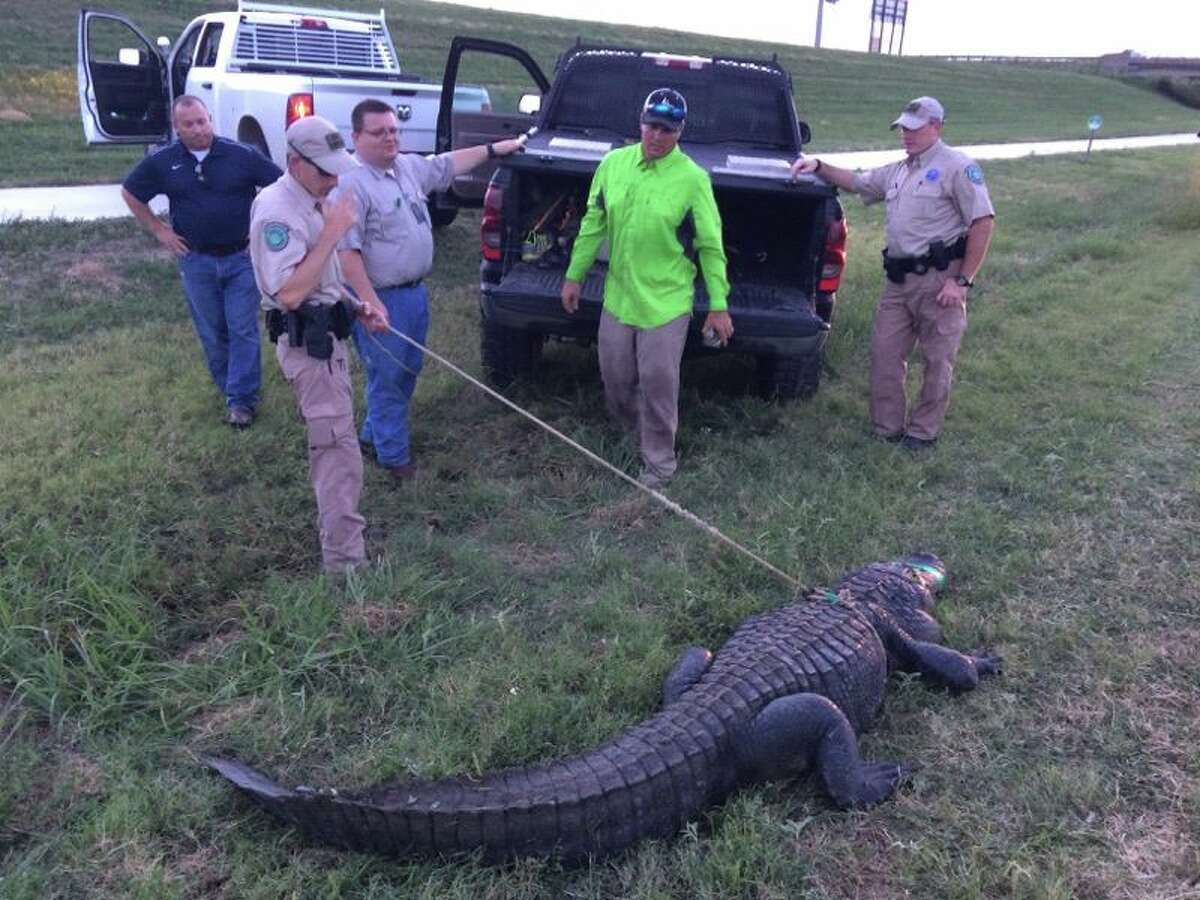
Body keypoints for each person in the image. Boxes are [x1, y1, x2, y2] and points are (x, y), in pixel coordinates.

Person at [334, 98, 527, 480]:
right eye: (378, 132)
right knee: (388, 376)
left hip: (414, 294)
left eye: (393, 130)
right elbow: (347, 255)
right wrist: (371, 305)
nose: (389, 138)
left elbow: (447, 164)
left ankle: (373, 435)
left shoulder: (405, 167)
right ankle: (394, 459)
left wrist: (494, 150)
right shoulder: (350, 185)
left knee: (405, 370)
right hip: (381, 297)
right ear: (356, 136)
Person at [791, 96, 995, 451]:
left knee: (937, 359)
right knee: (885, 354)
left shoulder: (957, 167)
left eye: (914, 128)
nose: (906, 134)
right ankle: (886, 429)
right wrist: (819, 164)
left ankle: (922, 432)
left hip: (939, 280)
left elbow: (982, 221)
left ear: (937, 127)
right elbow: (858, 182)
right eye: (903, 128)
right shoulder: (900, 170)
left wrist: (962, 281)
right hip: (898, 282)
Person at [561, 88, 733, 489]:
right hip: (619, 296)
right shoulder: (612, 165)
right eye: (652, 126)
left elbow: (710, 245)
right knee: (615, 377)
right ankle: (631, 435)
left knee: (658, 380)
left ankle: (658, 464)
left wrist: (719, 304)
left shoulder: (693, 179)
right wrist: (574, 275)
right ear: (640, 122)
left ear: (680, 132)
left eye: (668, 130)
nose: (657, 136)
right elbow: (592, 224)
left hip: (666, 300)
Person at [248, 115, 389, 573]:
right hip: (308, 349)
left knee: (341, 445)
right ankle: (345, 564)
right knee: (337, 454)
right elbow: (289, 292)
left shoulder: (313, 198)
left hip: (327, 336)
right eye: (325, 171)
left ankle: (346, 546)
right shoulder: (278, 210)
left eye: (336, 169)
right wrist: (332, 233)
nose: (334, 179)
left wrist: (353, 304)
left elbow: (322, 279)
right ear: (294, 163)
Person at [122, 95, 282, 428]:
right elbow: (131, 192)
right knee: (212, 332)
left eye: (202, 121)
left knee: (242, 329)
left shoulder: (241, 155)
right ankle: (229, 387)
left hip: (241, 258)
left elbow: (280, 187)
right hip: (196, 261)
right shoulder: (163, 161)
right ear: (176, 128)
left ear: (210, 118)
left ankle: (242, 401)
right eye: (189, 124)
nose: (198, 129)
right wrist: (159, 230)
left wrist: (262, 227)